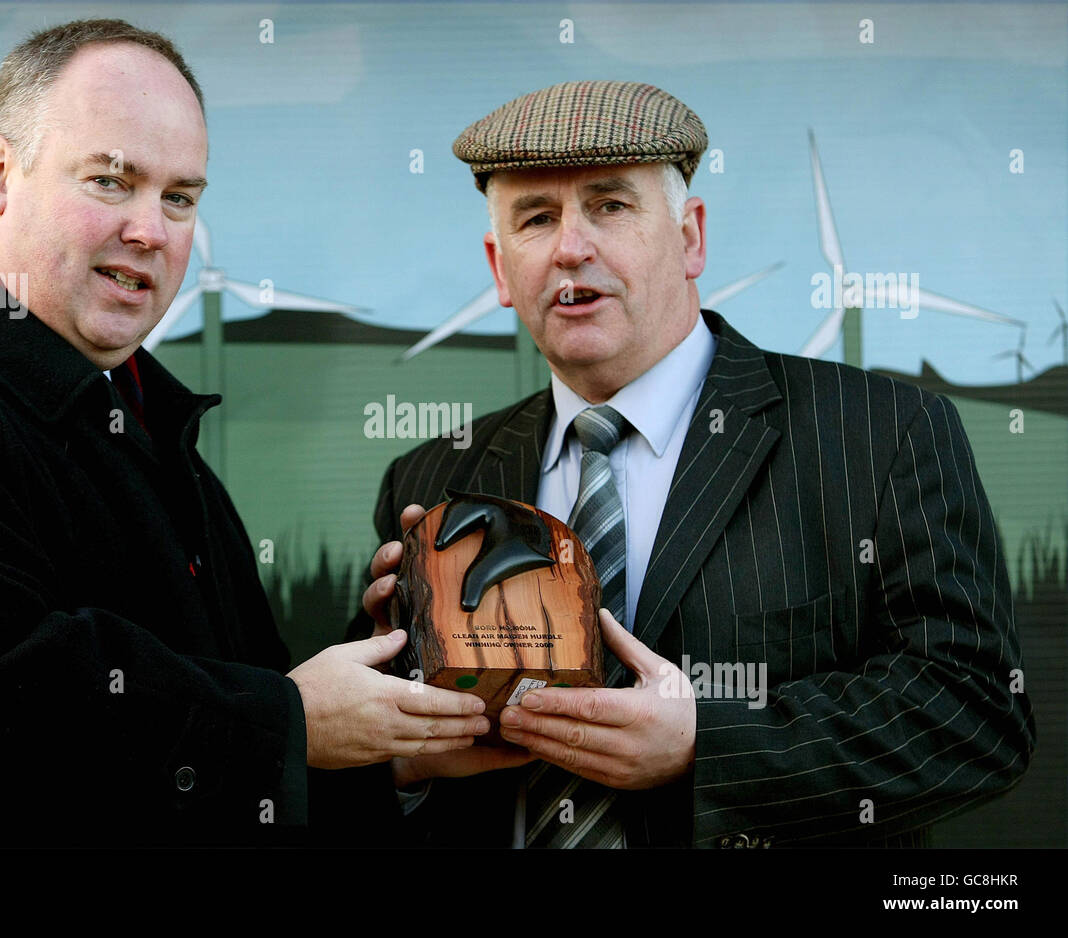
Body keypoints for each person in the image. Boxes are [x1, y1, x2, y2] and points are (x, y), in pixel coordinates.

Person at [0, 18, 483, 847]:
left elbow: (218, 763)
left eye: (180, 197)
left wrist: (390, 745)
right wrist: (286, 723)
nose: (153, 229)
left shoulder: (154, 425)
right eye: (112, 181)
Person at [354, 80, 1035, 847]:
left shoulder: (882, 434)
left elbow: (977, 712)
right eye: (537, 218)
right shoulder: (427, 484)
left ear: (690, 238)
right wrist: (405, 753)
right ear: (500, 269)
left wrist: (703, 746)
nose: (572, 246)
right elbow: (369, 770)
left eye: (611, 206)